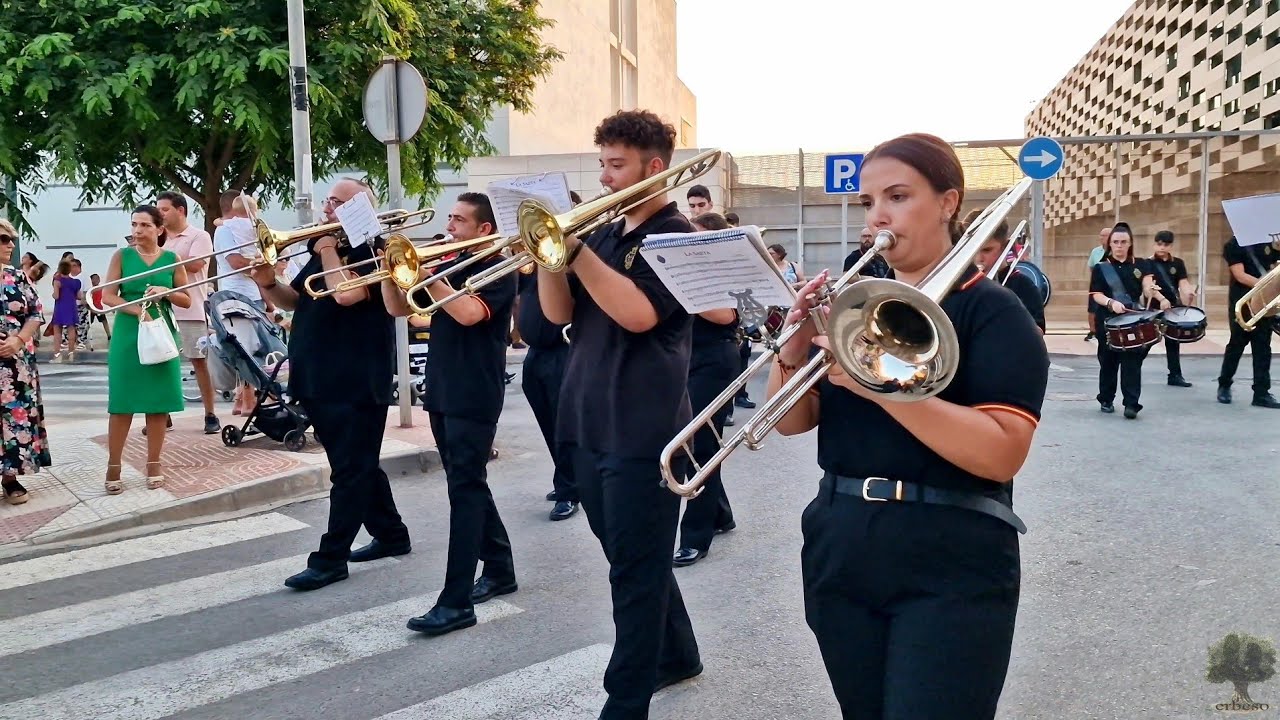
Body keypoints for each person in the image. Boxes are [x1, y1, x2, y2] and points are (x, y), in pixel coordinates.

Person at [770, 133, 1048, 719]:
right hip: (842, 543)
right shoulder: (854, 300)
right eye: (870, 202)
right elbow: (792, 421)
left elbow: (1001, 453)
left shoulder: (993, 311)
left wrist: (878, 387)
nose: (878, 219)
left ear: (948, 202)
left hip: (951, 556)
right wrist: (792, 349)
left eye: (896, 197)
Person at [537, 109, 703, 717]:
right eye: (602, 163)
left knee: (632, 572)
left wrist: (575, 252)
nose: (605, 177)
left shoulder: (679, 237)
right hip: (585, 419)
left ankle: (625, 701)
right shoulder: (603, 235)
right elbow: (557, 317)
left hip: (644, 427)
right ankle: (678, 652)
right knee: (632, 558)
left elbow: (639, 314)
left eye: (617, 165)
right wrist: (547, 259)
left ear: (653, 169)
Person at [249, 177, 411, 591]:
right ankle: (392, 534)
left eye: (337, 202)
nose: (326, 208)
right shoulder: (329, 247)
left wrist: (324, 250)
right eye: (328, 200)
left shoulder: (375, 251)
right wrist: (267, 282)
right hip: (318, 375)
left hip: (354, 378)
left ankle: (330, 558)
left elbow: (346, 295)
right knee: (354, 464)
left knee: (350, 471)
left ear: (360, 210)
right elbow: (298, 298)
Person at [382, 193, 519, 636]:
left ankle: (456, 601)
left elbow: (466, 313)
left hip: (474, 392)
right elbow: (398, 309)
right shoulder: (452, 263)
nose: (450, 226)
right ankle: (499, 569)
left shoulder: (500, 268)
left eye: (459, 220)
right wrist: (393, 273)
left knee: (464, 490)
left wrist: (428, 274)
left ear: (483, 229)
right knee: (466, 481)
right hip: (442, 388)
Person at [100, 206, 190, 493]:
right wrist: (139, 310)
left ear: (159, 229)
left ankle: (154, 463)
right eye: (134, 225)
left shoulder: (172, 258)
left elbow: (187, 299)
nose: (137, 231)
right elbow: (107, 296)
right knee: (122, 403)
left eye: (144, 226)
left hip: (161, 331)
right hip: (129, 332)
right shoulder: (122, 256)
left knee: (158, 403)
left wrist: (165, 293)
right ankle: (113, 465)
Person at [673, 211, 738, 568]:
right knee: (695, 444)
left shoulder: (722, 270)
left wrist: (683, 284)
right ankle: (721, 513)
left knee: (702, 446)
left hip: (714, 361)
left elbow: (725, 315)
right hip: (684, 360)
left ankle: (695, 536)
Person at [519, 193, 580, 521]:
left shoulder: (574, 253)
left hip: (562, 351)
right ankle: (565, 477)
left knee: (564, 425)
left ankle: (571, 489)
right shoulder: (535, 253)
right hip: (535, 354)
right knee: (547, 422)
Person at [156, 190, 220, 434]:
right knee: (160, 362)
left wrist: (164, 256)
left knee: (199, 362)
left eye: (164, 209)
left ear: (180, 210)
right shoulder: (159, 237)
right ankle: (163, 414)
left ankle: (210, 414)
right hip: (162, 309)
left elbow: (196, 264)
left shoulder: (199, 236)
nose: (160, 214)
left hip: (191, 309)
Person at [0, 221, 51, 505]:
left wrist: (19, 340)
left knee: (14, 416)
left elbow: (35, 313)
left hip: (16, 362)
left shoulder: (17, 277)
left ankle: (10, 477)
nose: (10, 245)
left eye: (11, 239)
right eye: (4, 239)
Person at [1089, 222, 1159, 419]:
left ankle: (1131, 403)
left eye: (1123, 242)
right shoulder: (1101, 268)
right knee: (1108, 361)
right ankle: (1106, 398)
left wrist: (1151, 291)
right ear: (1110, 244)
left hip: (1131, 318)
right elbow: (1096, 295)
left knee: (1132, 362)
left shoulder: (1142, 264)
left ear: (1130, 244)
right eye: (1116, 242)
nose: (1119, 246)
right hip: (1108, 318)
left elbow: (1146, 285)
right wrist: (1111, 303)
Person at [1217, 235, 1280, 408]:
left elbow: (1274, 266)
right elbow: (1240, 275)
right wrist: (1265, 285)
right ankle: (1224, 384)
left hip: (1264, 302)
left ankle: (1261, 393)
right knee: (1237, 344)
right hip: (1243, 300)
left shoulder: (1265, 241)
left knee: (1263, 347)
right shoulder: (1233, 244)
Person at [970, 212, 1045, 334]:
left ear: (1005, 247)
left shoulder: (1024, 286)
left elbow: (1037, 334)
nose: (978, 258)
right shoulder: (962, 285)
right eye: (973, 250)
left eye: (987, 250)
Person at [1144, 230, 1195, 387]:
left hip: (1172, 307)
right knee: (1146, 341)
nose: (1162, 247)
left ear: (1170, 246)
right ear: (1154, 244)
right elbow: (1149, 286)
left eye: (1165, 245)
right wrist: (1161, 299)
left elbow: (1183, 282)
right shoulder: (1147, 263)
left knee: (1173, 341)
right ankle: (1132, 370)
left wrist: (1189, 292)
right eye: (1159, 244)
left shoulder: (1178, 263)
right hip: (1154, 308)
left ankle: (1175, 375)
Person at [1084, 227, 1111, 341]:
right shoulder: (1095, 251)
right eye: (1101, 235)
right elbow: (1091, 266)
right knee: (1092, 309)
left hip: (1110, 285)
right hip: (1096, 284)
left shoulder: (1114, 251)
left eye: (1105, 235)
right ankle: (1092, 331)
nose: (1102, 238)